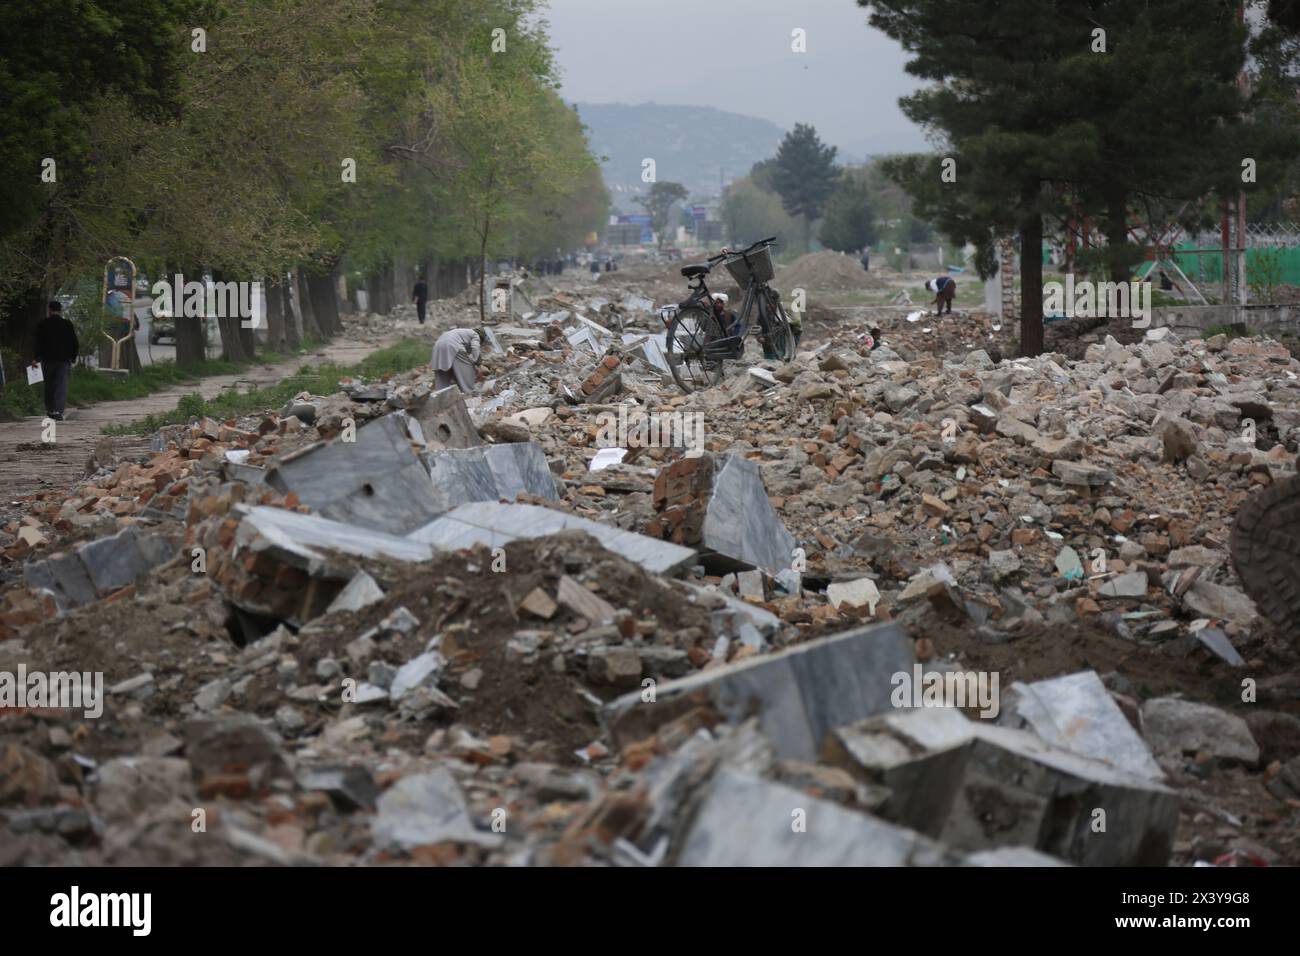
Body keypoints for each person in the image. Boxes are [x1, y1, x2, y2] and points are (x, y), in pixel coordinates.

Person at [32, 300, 79, 421]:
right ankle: (58, 410)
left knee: (49, 384)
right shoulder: (67, 324)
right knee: (61, 385)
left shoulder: (43, 324)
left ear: (50, 310)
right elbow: (74, 343)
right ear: (60, 310)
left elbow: (38, 343)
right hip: (63, 360)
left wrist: (36, 358)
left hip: (48, 360)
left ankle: (50, 409)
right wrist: (72, 357)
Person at [431, 327, 484, 394]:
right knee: (468, 367)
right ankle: (469, 391)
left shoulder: (462, 332)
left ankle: (441, 394)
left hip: (437, 346)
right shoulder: (475, 335)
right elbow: (475, 348)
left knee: (442, 372)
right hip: (452, 344)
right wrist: (476, 363)